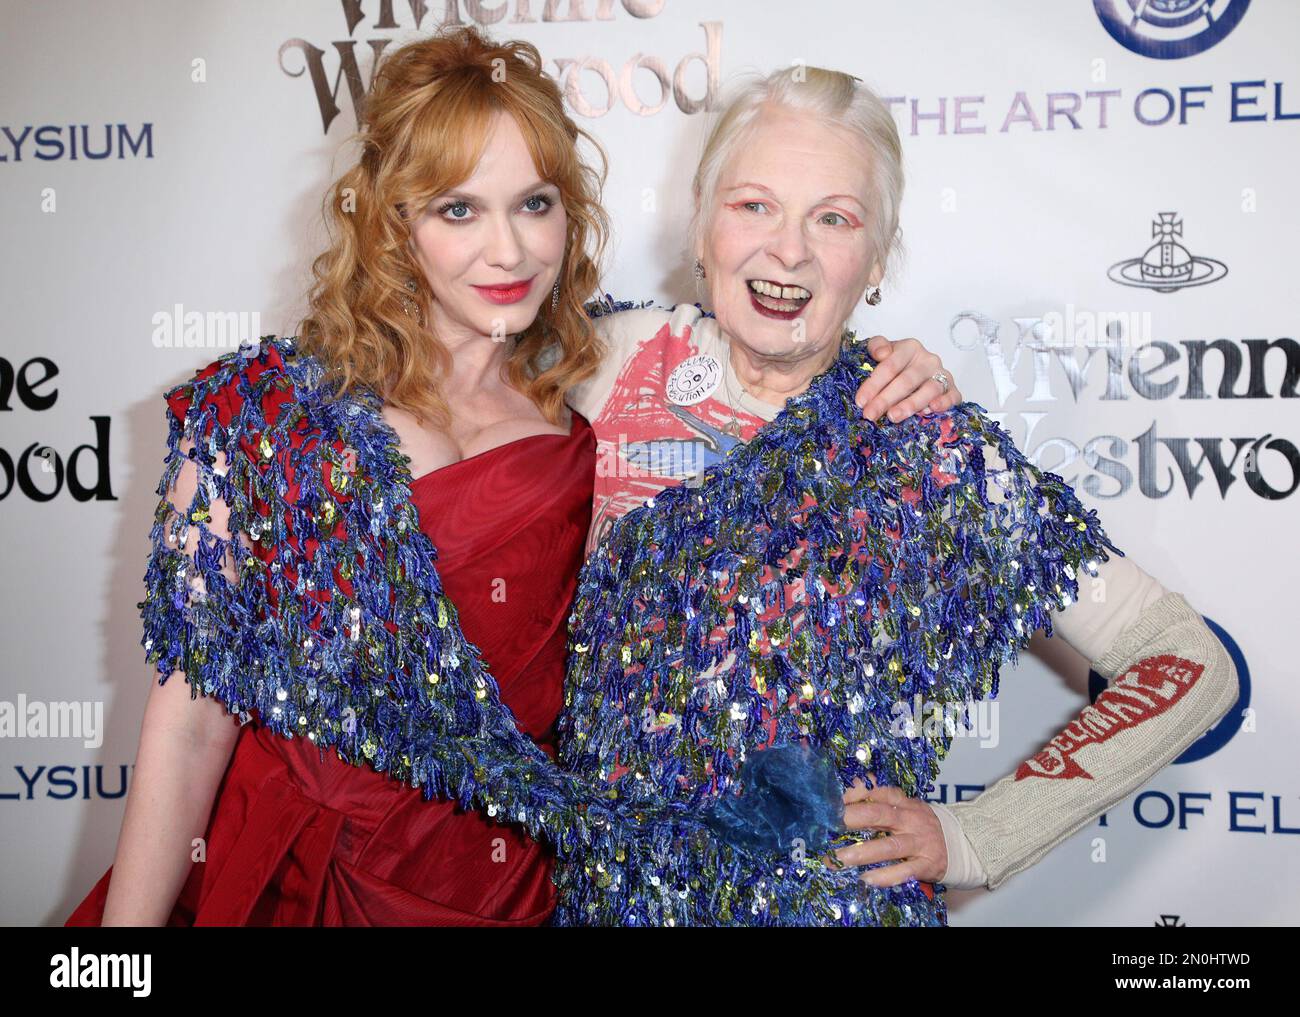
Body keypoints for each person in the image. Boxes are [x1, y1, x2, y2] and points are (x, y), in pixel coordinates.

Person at [64, 27, 947, 927]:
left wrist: (883, 366)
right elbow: (189, 725)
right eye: (458, 210)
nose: (508, 251)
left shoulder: (593, 396)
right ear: (392, 221)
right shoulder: (267, 415)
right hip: (291, 875)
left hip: (505, 893)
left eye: (533, 204)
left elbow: (770, 352)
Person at [550, 65, 1240, 925]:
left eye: (833, 219)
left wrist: (984, 834)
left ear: (876, 257)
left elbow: (1186, 660)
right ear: (701, 219)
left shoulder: (928, 439)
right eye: (754, 204)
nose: (789, 250)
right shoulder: (603, 365)